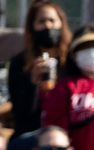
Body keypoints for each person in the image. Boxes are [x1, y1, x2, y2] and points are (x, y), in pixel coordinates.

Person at [8, 1, 71, 137]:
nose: (48, 26)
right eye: (41, 21)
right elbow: (20, 113)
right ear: (32, 27)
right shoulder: (20, 62)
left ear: (61, 24)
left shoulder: (72, 60)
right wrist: (33, 82)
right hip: (33, 133)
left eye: (52, 20)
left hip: (67, 132)